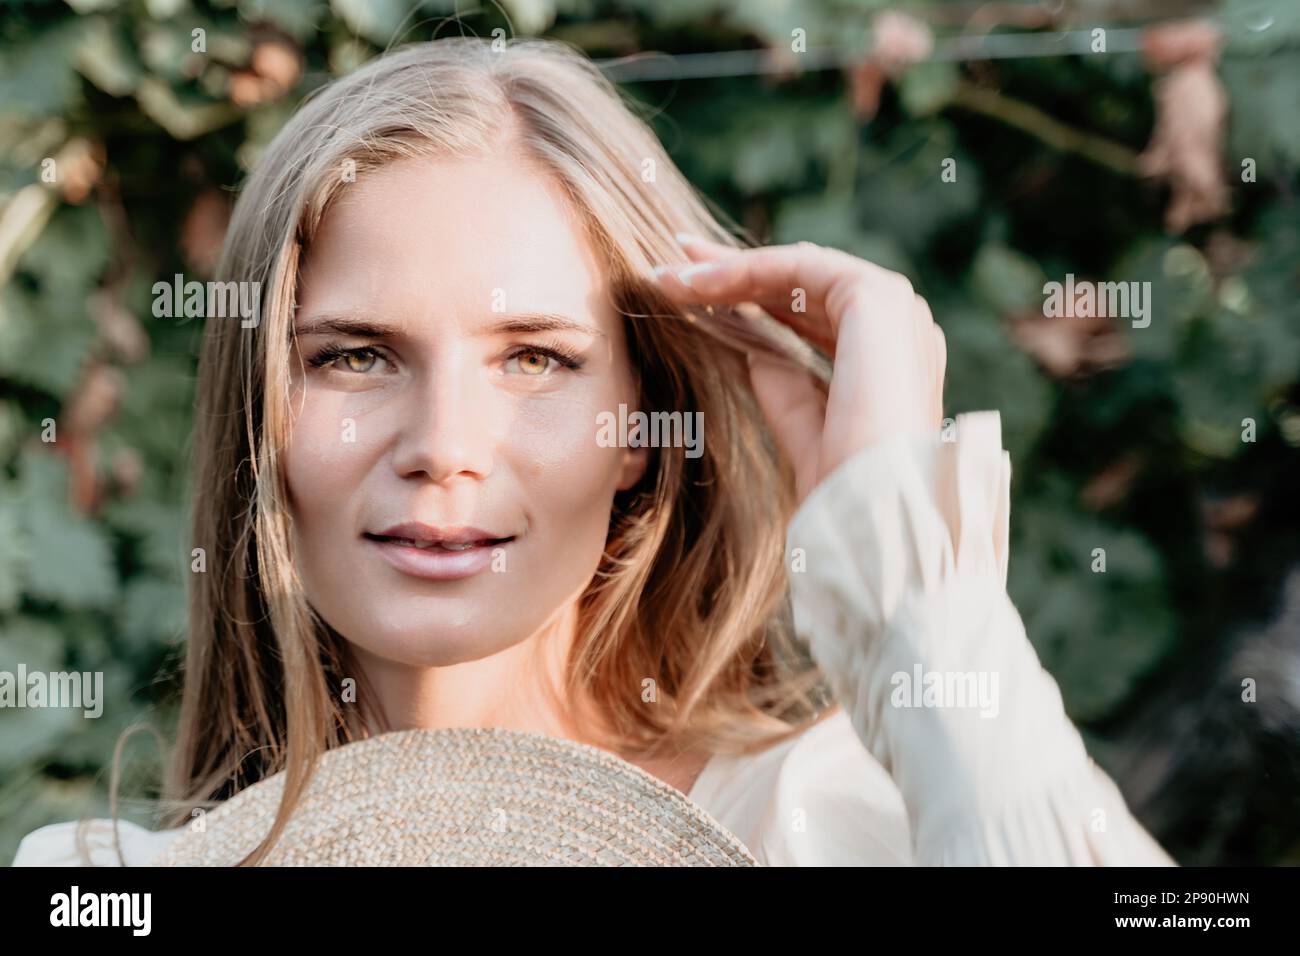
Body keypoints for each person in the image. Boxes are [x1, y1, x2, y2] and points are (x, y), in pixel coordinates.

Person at [13, 36, 1173, 867]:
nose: (444, 448)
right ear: (257, 408)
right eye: (356, 355)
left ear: (641, 430)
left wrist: (906, 563)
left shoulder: (826, 820)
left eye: (536, 359)